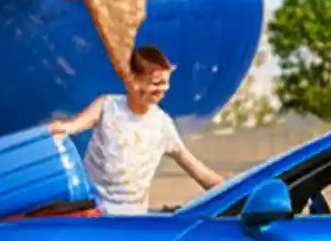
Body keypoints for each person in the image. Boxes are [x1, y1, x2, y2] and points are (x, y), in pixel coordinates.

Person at [49, 45, 224, 215]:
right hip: (94, 215)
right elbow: (71, 127)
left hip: (131, 220)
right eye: (156, 83)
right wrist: (55, 131)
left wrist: (230, 192)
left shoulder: (162, 125)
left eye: (165, 83)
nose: (162, 89)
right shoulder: (107, 107)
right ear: (131, 81)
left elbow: (195, 168)